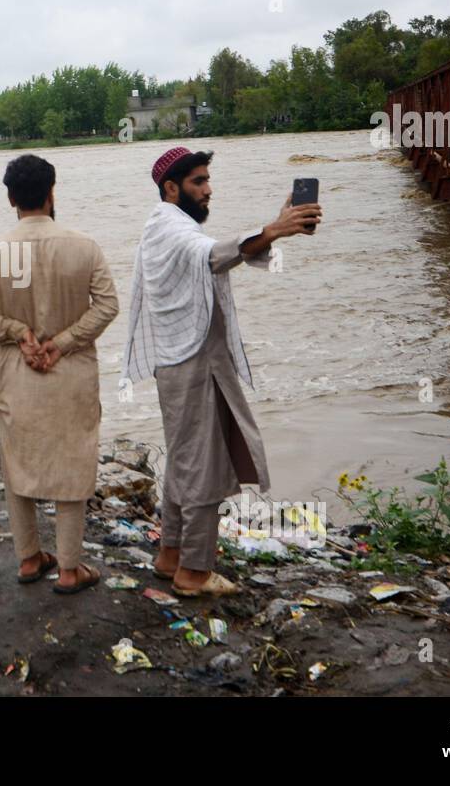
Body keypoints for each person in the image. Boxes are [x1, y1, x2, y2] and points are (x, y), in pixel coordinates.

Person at [121, 147, 321, 597]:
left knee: (184, 459)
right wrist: (273, 231)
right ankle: (194, 571)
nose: (208, 190)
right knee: (204, 465)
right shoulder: (171, 226)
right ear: (171, 188)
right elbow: (213, 255)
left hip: (182, 360)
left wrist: (271, 230)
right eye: (198, 182)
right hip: (193, 363)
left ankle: (170, 555)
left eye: (208, 180)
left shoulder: (165, 224)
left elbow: (212, 252)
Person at [0, 155, 119, 594]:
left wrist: (16, 332)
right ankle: (69, 569)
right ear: (52, 192)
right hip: (71, 374)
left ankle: (29, 559)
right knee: (72, 465)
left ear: (11, 198)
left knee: (19, 465)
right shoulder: (84, 245)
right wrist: (62, 342)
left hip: (17, 374)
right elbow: (107, 306)